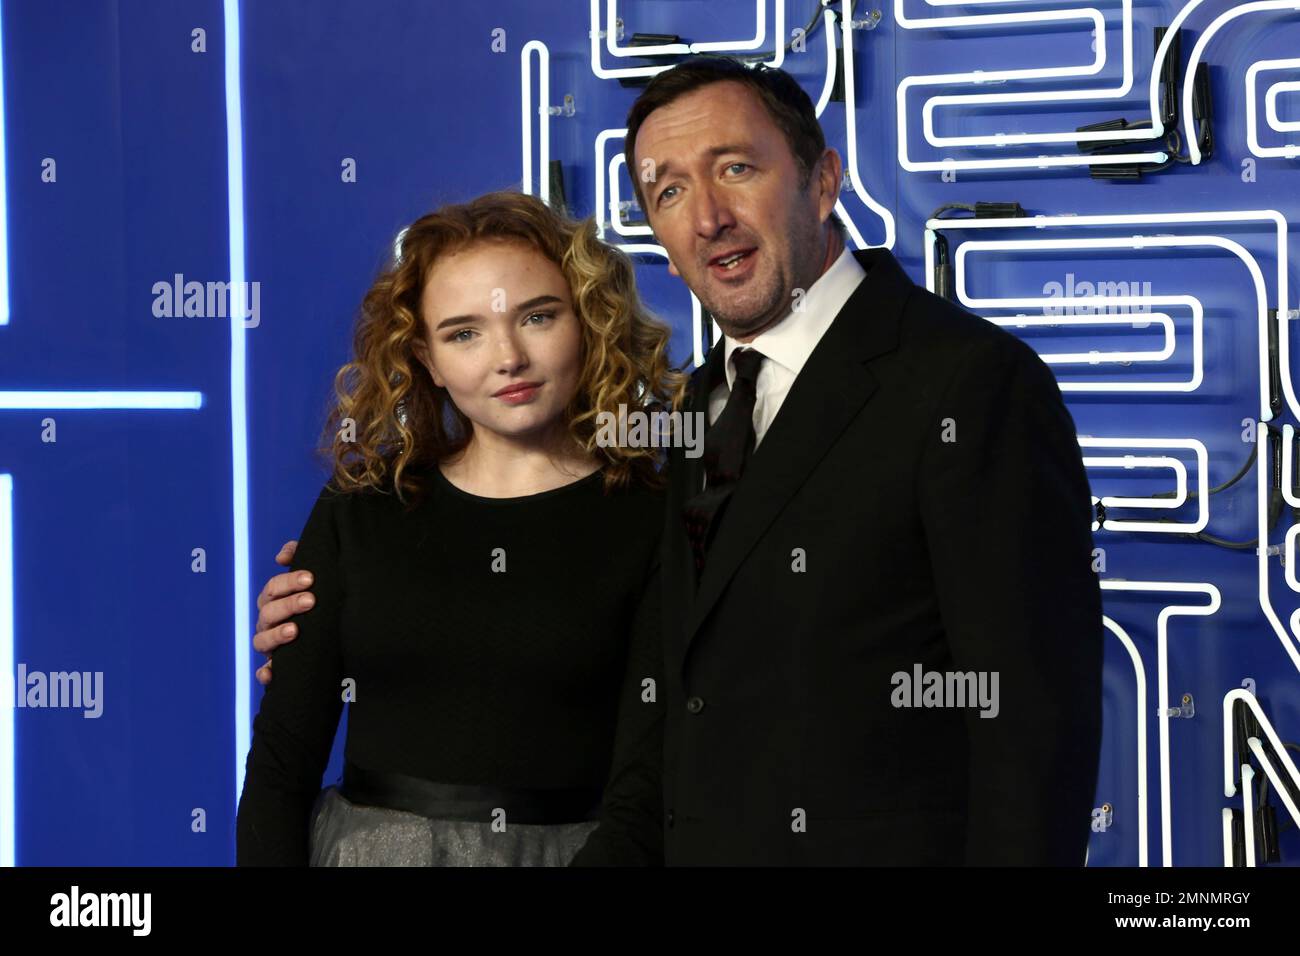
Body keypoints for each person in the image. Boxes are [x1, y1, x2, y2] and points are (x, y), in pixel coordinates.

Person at [257, 55, 1104, 865]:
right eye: (668, 191)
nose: (707, 216)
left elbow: (1028, 719)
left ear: (823, 180)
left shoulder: (968, 383)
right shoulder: (695, 413)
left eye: (736, 168)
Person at [236, 190, 683, 866]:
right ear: (426, 357)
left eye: (537, 316)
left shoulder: (654, 515)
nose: (507, 357)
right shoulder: (362, 505)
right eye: (463, 332)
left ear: (588, 320)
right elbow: (280, 763)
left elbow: (646, 785)